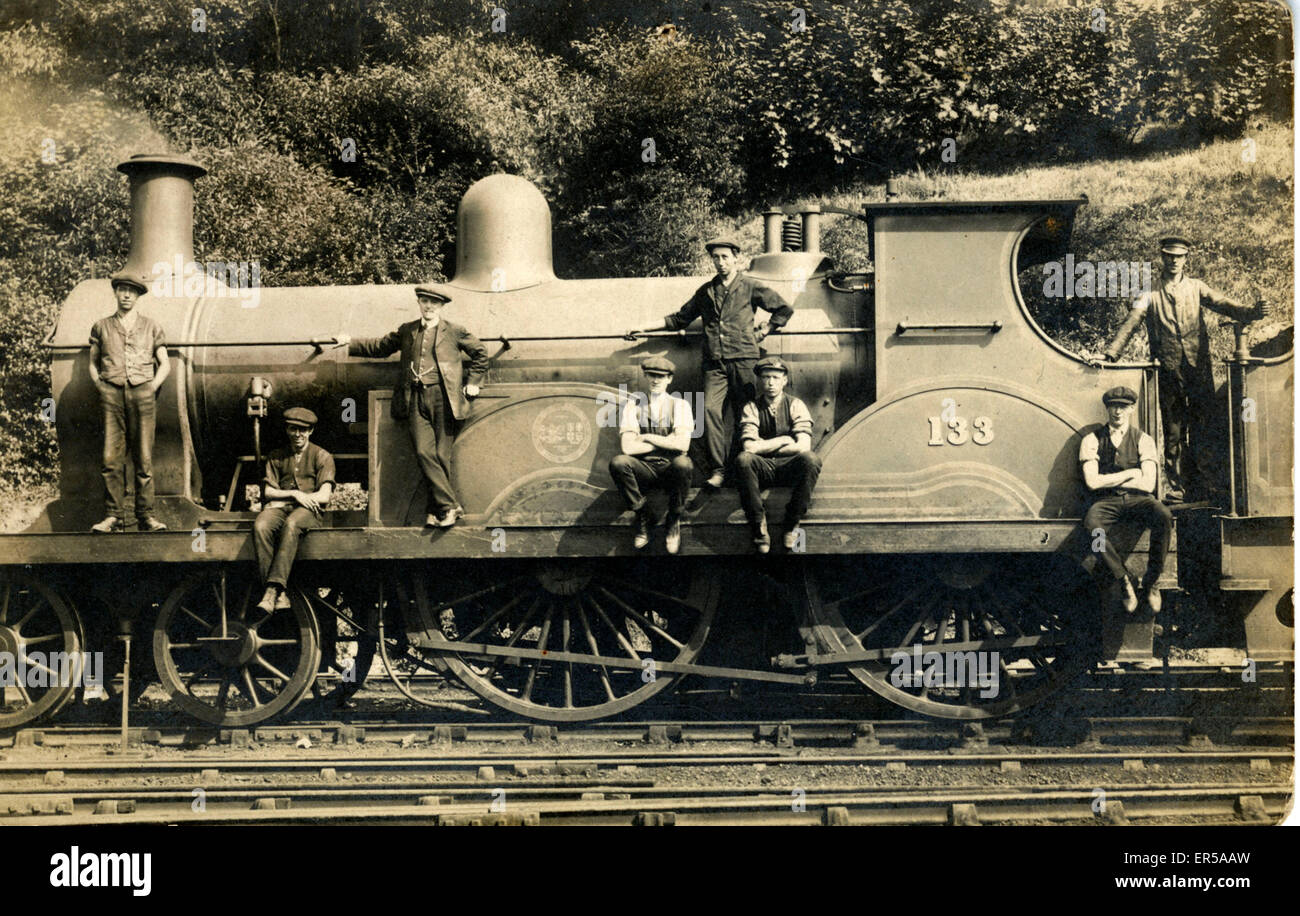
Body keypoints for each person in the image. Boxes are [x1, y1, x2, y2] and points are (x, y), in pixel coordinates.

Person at [1097, 234, 1265, 502]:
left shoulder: (1197, 287)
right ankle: (1177, 488)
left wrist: (1251, 312)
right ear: (1162, 258)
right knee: (1173, 430)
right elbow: (1132, 321)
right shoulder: (1149, 292)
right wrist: (1111, 353)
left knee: (1204, 426)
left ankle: (1207, 484)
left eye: (1179, 256)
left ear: (1186, 259)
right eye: (1169, 256)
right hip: (1168, 370)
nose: (1174, 261)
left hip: (1198, 369)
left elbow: (1223, 304)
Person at [625, 237, 793, 488]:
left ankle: (742, 467)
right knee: (708, 412)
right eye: (716, 257)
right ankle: (719, 470)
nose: (720, 262)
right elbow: (679, 319)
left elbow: (783, 308)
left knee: (744, 413)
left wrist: (767, 329)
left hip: (744, 359)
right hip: (714, 363)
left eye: (725, 257)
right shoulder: (706, 291)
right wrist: (643, 327)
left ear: (736, 258)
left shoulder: (750, 286)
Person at [337, 284, 489, 527]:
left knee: (441, 455)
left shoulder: (454, 331)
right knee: (423, 452)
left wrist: (474, 383)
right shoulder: (407, 330)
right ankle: (450, 507)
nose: (429, 306)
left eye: (434, 303)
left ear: (441, 306)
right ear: (419, 303)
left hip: (443, 398)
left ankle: (437, 510)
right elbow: (381, 347)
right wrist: (349, 343)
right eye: (425, 302)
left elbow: (481, 354)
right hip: (414, 398)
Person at [88, 270, 171, 533]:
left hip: (142, 395)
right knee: (111, 458)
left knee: (143, 458)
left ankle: (146, 516)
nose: (126, 295)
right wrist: (101, 387)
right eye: (122, 290)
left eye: (132, 291)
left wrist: (151, 388)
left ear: (138, 296)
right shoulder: (101, 326)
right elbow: (92, 363)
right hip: (111, 395)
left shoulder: (152, 326)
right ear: (115, 292)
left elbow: (165, 363)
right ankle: (112, 516)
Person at [1079, 386, 1173, 614]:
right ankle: (1123, 581)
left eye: (1122, 406)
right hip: (1107, 502)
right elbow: (1092, 482)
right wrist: (1130, 474)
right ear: (1107, 409)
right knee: (1092, 527)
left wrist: (1108, 479)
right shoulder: (1091, 440)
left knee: (1164, 515)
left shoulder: (1144, 440)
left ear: (1131, 409)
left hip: (1138, 500)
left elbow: (1148, 484)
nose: (1117, 412)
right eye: (1113, 406)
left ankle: (1152, 581)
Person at [733, 356, 822, 553]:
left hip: (788, 467)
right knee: (744, 460)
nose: (770, 382)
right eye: (765, 377)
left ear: (784, 380)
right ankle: (759, 526)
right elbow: (749, 448)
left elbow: (803, 447)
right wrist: (783, 440)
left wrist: (763, 445)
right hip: (763, 468)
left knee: (811, 460)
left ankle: (792, 524)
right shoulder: (751, 407)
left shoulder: (795, 404)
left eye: (775, 377)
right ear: (759, 380)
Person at [609, 356, 695, 554]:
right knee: (619, 463)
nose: (656, 381)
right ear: (646, 376)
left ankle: (673, 520)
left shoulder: (680, 405)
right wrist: (667, 443)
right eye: (652, 376)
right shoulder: (634, 405)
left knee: (683, 463)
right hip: (645, 469)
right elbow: (628, 448)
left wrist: (646, 437)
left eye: (661, 376)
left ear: (669, 379)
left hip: (670, 469)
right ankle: (643, 514)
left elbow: (683, 444)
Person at [254, 408, 336, 613]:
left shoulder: (323, 456)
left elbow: (324, 496)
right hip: (282, 507)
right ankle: (279, 593)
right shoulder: (277, 456)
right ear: (287, 430)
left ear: (311, 431)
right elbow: (268, 491)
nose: (297, 434)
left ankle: (272, 590)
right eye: (293, 429)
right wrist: (293, 495)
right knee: (261, 525)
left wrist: (303, 498)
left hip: (309, 512)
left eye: (303, 430)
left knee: (291, 524)